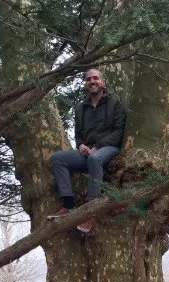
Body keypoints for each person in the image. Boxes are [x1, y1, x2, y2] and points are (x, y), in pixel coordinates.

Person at [48, 68, 127, 233]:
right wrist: (81, 146)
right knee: (58, 158)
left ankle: (91, 211)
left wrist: (97, 146)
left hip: (109, 148)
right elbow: (78, 135)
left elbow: (119, 132)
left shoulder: (116, 103)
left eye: (96, 78)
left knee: (94, 159)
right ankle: (68, 205)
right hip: (88, 151)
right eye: (88, 79)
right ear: (85, 84)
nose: (92, 81)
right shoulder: (80, 108)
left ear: (103, 82)